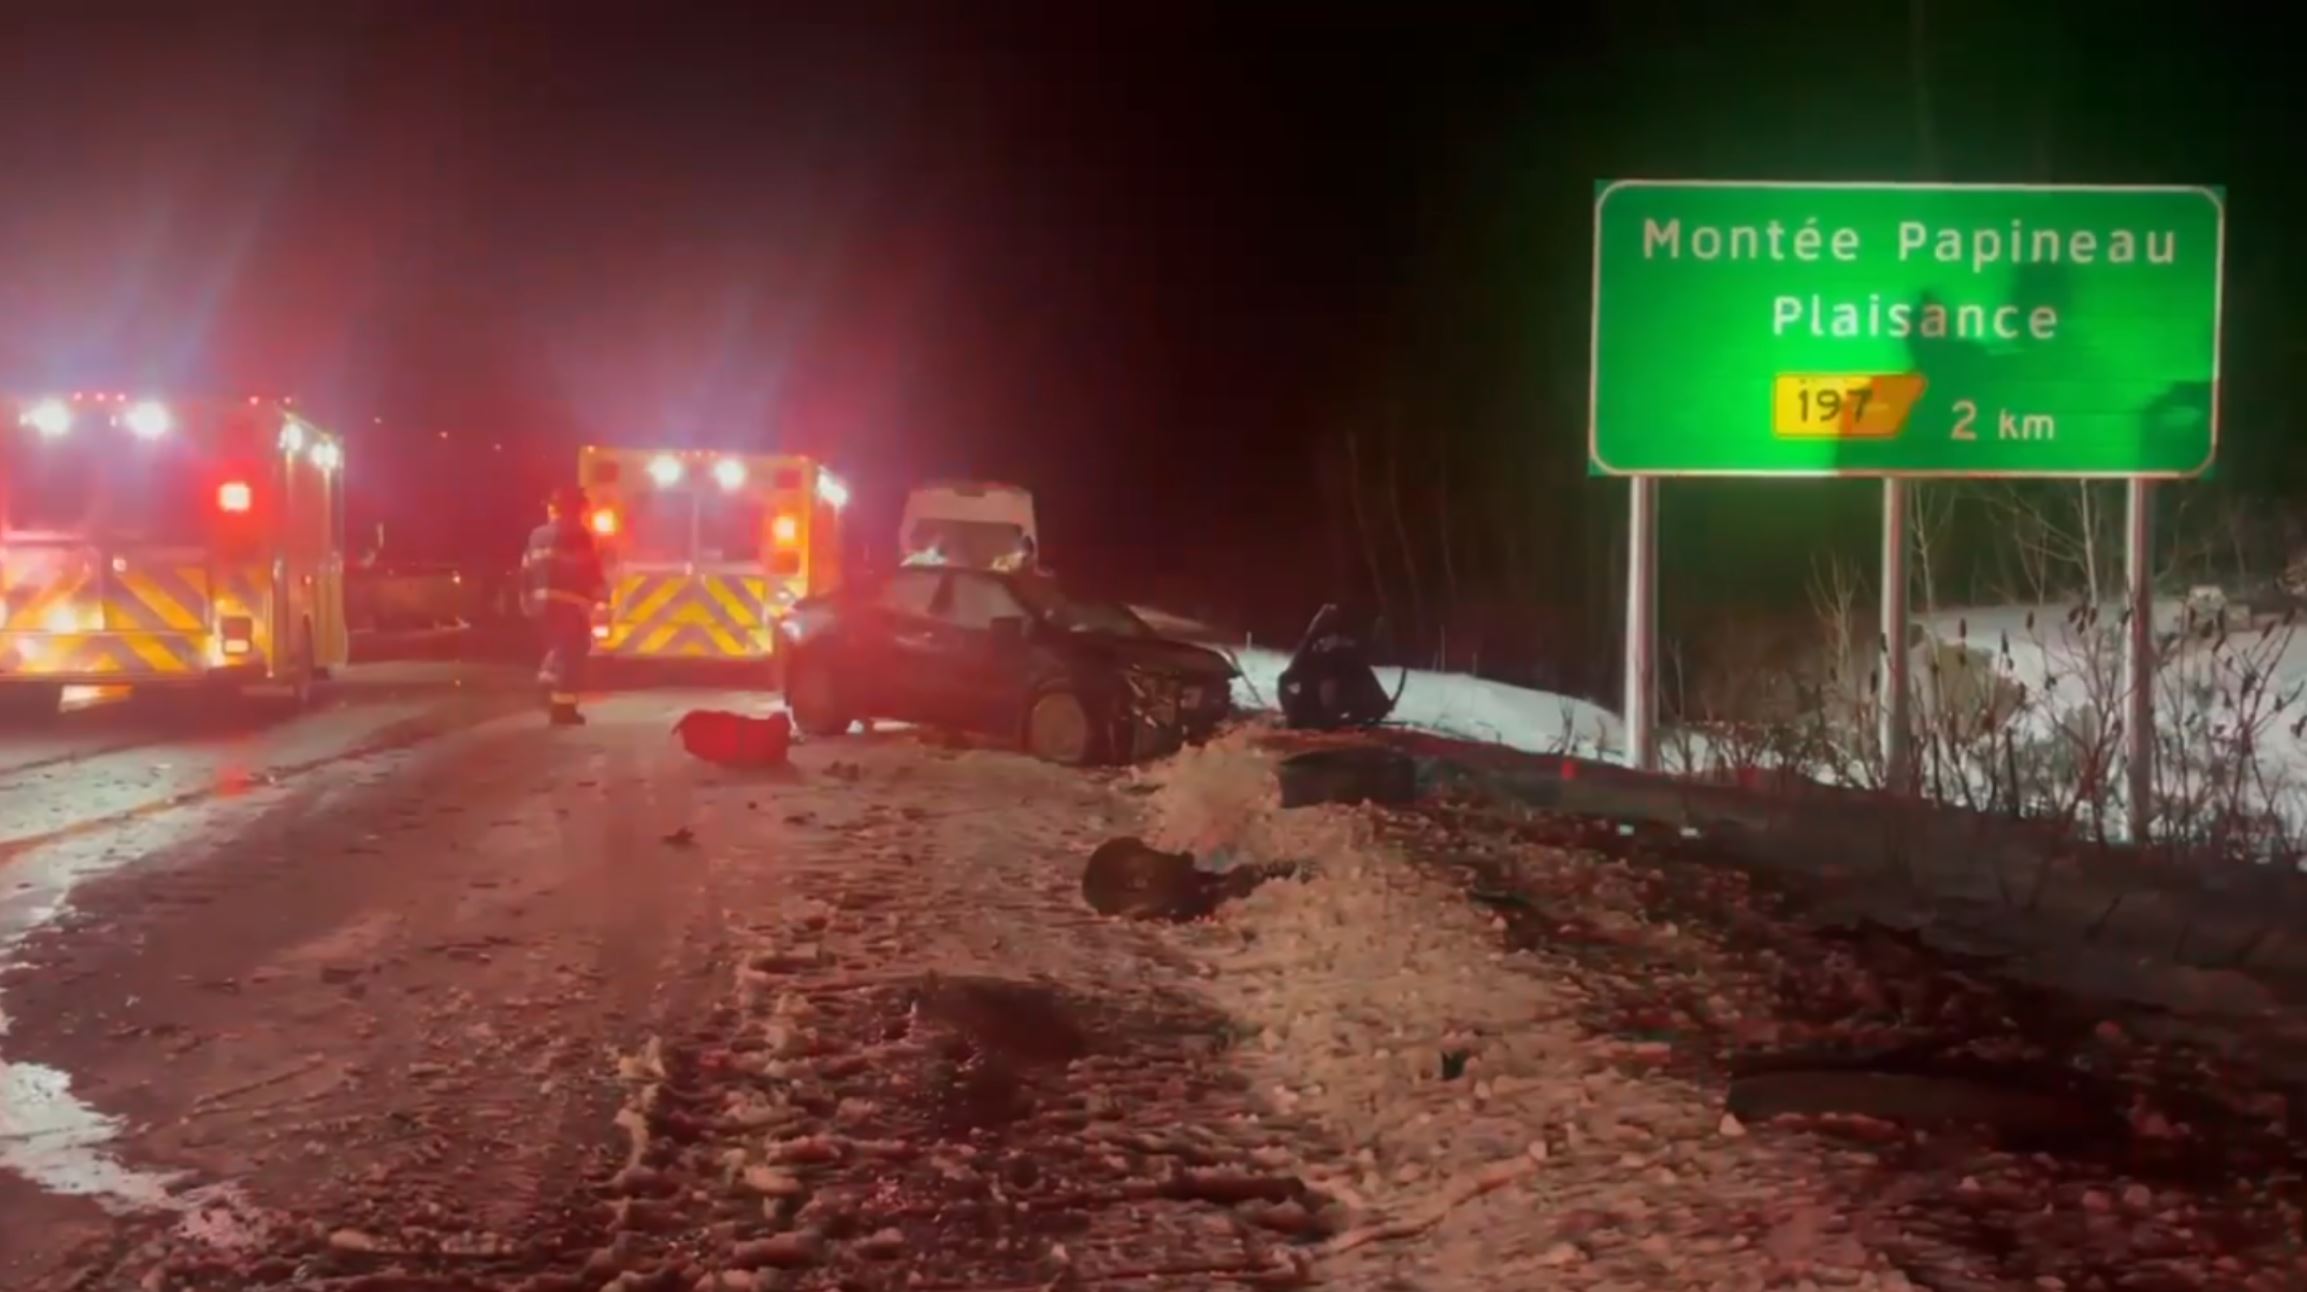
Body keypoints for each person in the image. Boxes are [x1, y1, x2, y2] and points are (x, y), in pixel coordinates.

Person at [523, 485, 609, 726]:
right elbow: (589, 570)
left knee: (560, 650)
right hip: (569, 604)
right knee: (572, 653)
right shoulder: (579, 535)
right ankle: (557, 700)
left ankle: (555, 699)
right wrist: (603, 594)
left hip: (541, 603)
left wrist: (526, 600)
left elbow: (526, 570)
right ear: (576, 509)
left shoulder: (536, 535)